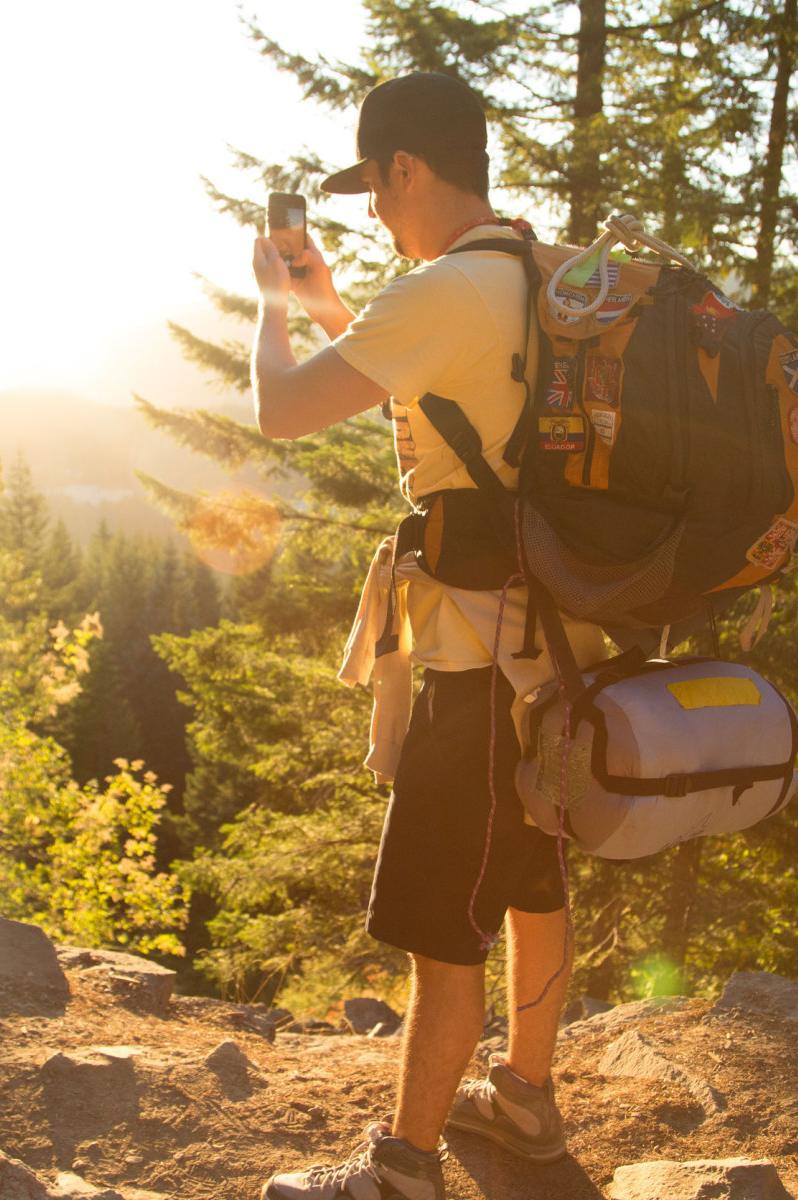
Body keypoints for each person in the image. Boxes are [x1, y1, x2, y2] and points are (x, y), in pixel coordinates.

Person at [249, 73, 607, 1200]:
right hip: (557, 657)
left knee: (441, 925)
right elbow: (431, 380)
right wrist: (328, 303)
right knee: (535, 885)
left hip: (472, 668)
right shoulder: (531, 275)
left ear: (408, 167)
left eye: (376, 186)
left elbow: (286, 409)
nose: (370, 213)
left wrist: (270, 301)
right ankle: (529, 1107)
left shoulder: (444, 287)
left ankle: (402, 1170)